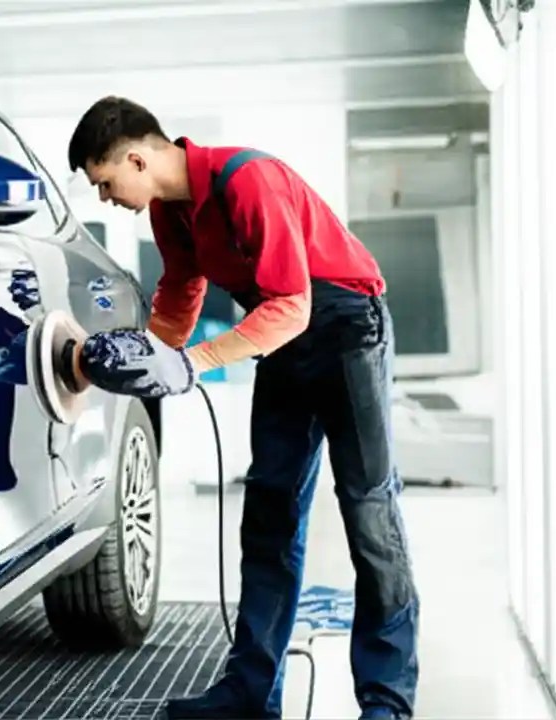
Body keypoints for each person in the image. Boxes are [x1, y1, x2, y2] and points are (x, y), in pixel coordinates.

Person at [61, 96, 420, 720]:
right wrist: (146, 361)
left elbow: (292, 303)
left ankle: (386, 701)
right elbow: (180, 292)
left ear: (138, 159)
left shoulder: (247, 179)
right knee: (269, 513)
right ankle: (251, 692)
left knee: (368, 511)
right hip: (281, 336)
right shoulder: (170, 214)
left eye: (105, 182)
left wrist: (192, 363)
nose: (105, 198)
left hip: (345, 327)